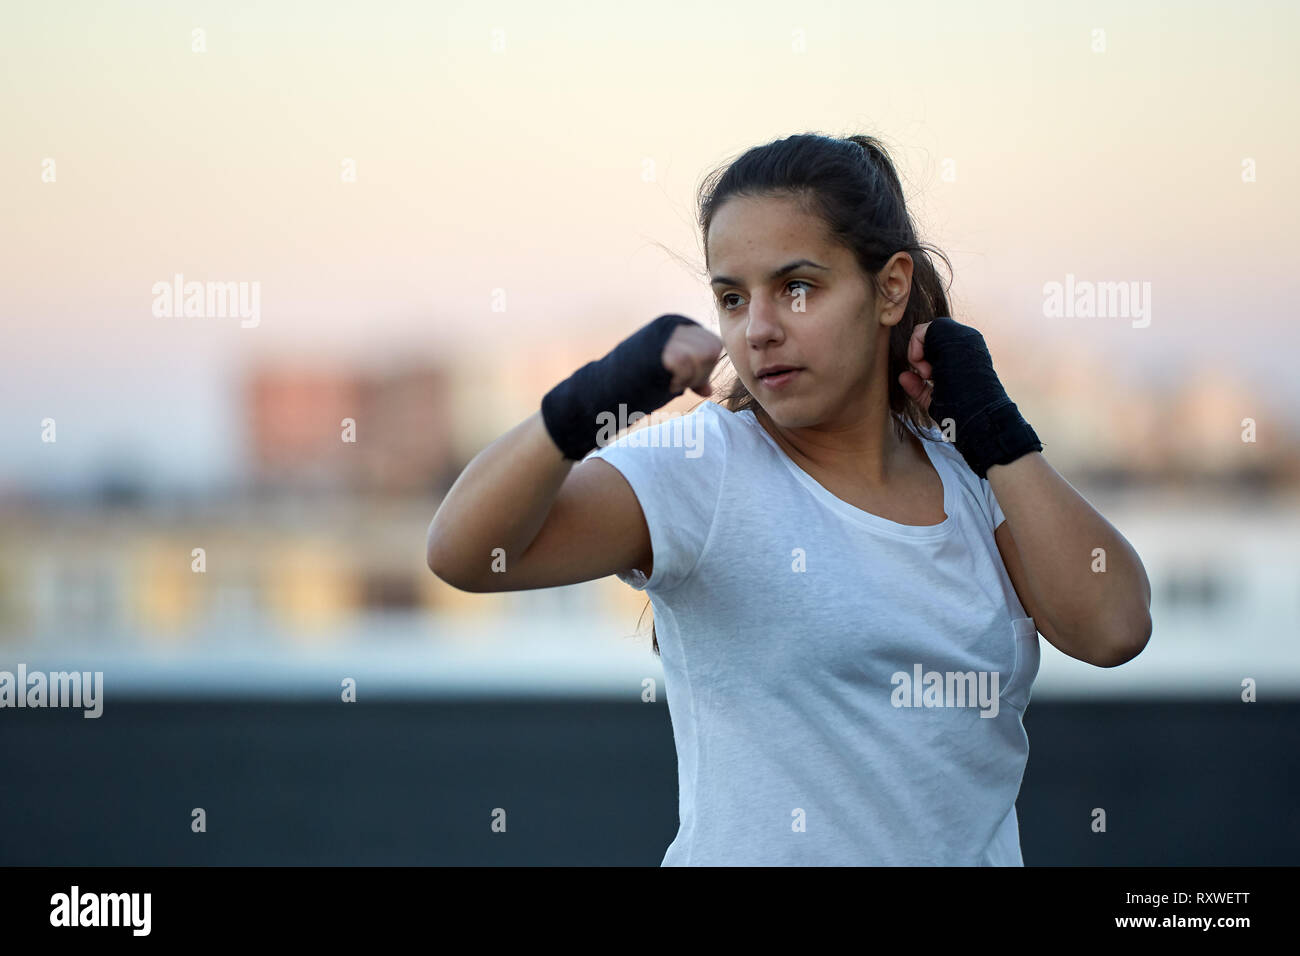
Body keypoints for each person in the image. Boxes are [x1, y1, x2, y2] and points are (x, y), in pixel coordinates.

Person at [426, 132, 1152, 866]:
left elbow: (1115, 628)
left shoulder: (975, 478)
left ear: (890, 287)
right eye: (732, 298)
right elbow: (465, 553)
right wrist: (595, 393)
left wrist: (996, 432)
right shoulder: (701, 468)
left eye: (797, 287)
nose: (759, 329)